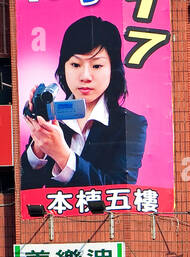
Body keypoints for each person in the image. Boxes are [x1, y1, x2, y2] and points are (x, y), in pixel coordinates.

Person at [21, 15, 148, 190]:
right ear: (63, 67)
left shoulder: (131, 124)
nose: (85, 77)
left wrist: (63, 155)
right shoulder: (52, 117)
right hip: (51, 216)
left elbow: (121, 190)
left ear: (113, 69)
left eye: (96, 66)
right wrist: (39, 147)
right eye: (75, 65)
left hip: (104, 218)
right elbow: (24, 190)